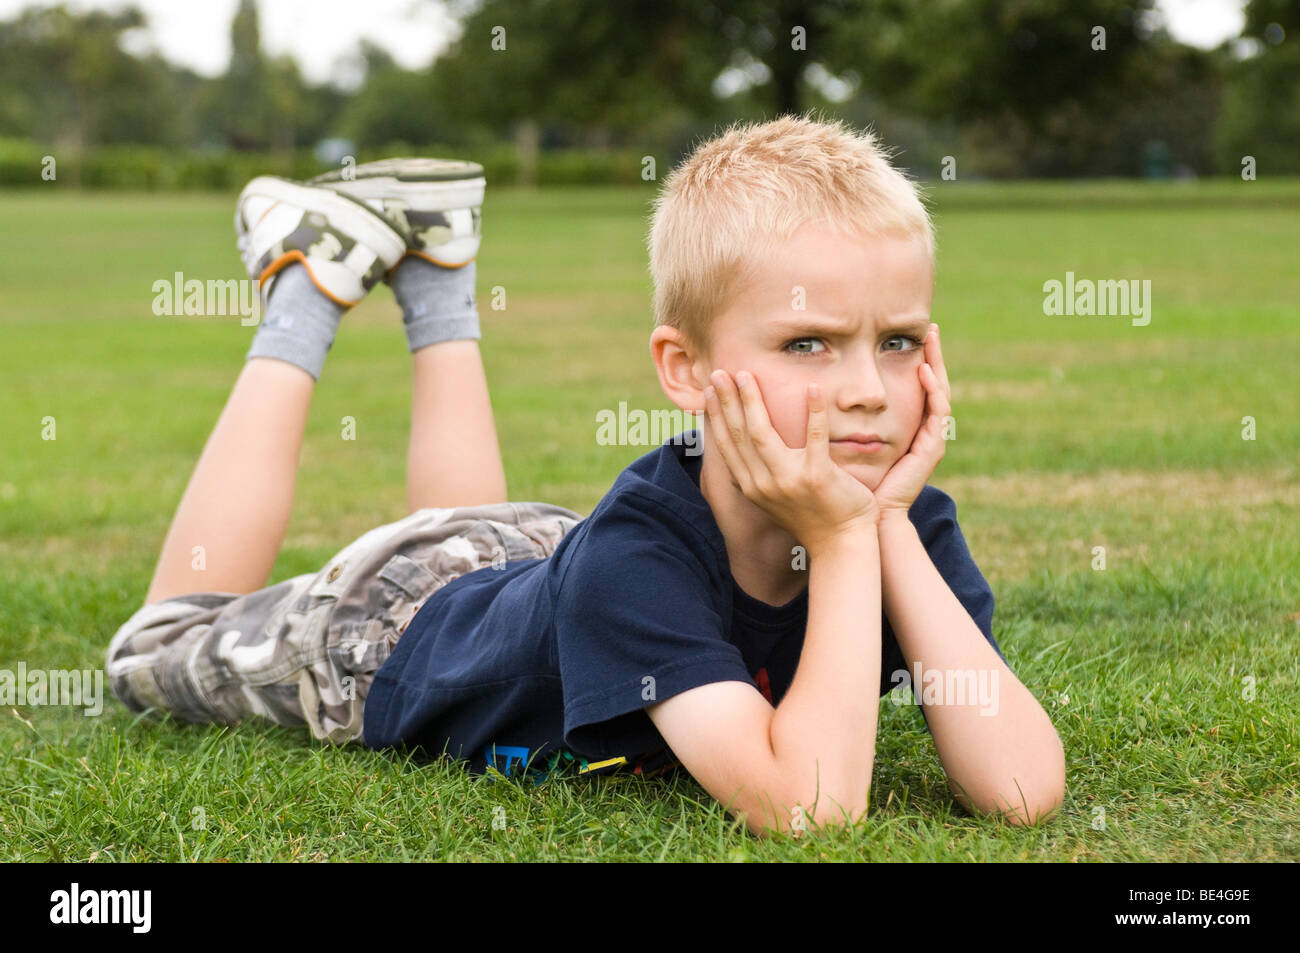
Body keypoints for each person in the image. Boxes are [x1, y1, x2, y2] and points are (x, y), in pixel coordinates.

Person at [106, 115, 1065, 838]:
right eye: (808, 342)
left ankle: (437, 268)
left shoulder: (904, 523)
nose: (866, 390)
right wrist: (851, 537)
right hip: (389, 624)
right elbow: (809, 807)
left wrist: (881, 526)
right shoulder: (640, 557)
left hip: (541, 551)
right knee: (151, 649)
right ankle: (303, 287)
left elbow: (1021, 789)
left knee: (477, 526)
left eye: (897, 341)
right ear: (684, 370)